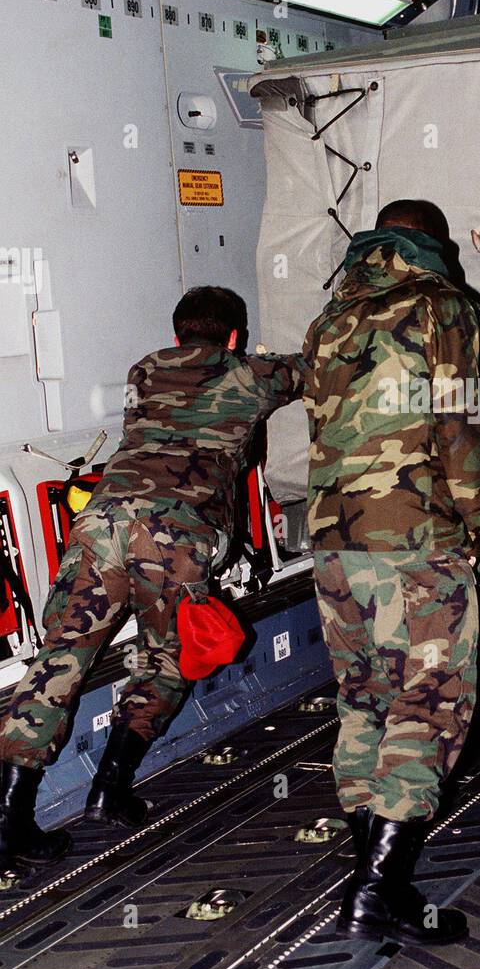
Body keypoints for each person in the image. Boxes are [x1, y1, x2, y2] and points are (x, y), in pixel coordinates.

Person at [0, 286, 305, 874]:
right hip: (173, 534)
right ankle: (110, 786)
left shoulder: (145, 367)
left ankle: (9, 820)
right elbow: (316, 371)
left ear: (176, 333)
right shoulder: (249, 372)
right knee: (167, 659)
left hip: (101, 523)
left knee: (60, 660)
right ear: (235, 336)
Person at [304, 199, 480, 944]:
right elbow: (460, 422)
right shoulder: (446, 304)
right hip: (417, 534)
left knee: (363, 700)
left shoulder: (330, 315)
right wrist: (473, 521)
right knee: (432, 700)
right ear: (431, 245)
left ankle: (374, 878)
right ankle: (378, 890)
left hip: (332, 538)